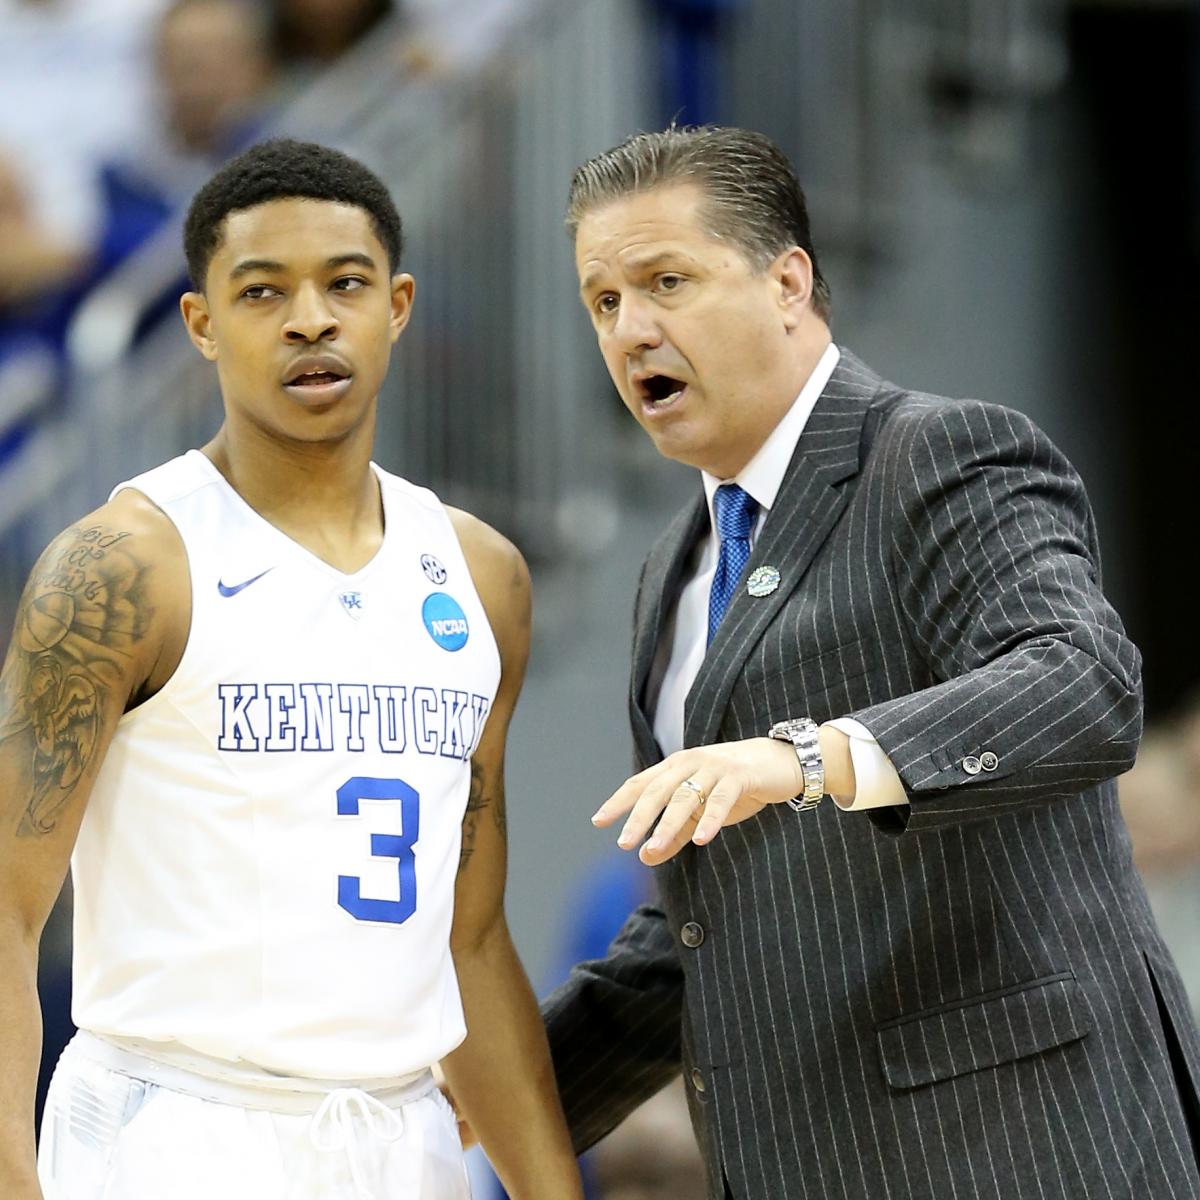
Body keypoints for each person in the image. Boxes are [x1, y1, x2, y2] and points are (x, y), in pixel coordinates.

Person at [540, 125, 1200, 1199]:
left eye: (668, 280)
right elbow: (702, 926)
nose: (632, 329)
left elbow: (1085, 684)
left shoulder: (939, 452)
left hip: (1018, 1155)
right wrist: (456, 1102)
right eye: (604, 302)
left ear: (788, 281)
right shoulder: (673, 566)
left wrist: (803, 758)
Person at [0, 137, 582, 1200]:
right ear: (202, 325)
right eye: (263, 292)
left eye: (345, 284)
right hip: (170, 1130)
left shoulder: (480, 576)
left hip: (401, 1139)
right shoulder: (127, 566)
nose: (312, 318)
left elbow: (473, 937)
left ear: (396, 306)